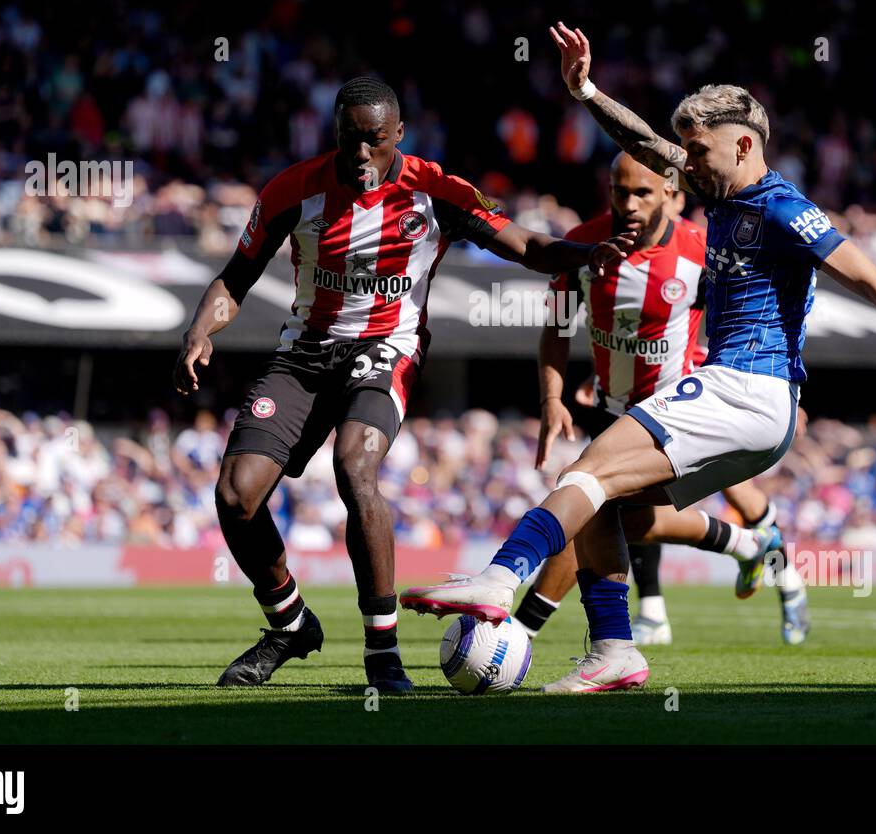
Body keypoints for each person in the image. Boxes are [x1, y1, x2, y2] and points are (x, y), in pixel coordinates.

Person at [401, 23, 876, 693]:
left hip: (747, 387)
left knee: (587, 470)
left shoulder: (788, 210)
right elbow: (644, 143)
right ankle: (616, 651)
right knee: (609, 506)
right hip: (749, 401)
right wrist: (586, 89)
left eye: (698, 152)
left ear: (743, 144)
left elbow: (873, 280)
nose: (686, 164)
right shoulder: (721, 190)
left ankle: (498, 582)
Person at [173, 76, 630, 692]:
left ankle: (382, 653)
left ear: (398, 136)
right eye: (348, 140)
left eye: (374, 141)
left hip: (389, 349)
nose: (361, 155)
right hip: (304, 354)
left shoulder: (435, 189)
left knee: (354, 466)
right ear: (332, 132)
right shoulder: (292, 189)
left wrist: (585, 253)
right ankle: (290, 623)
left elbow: (523, 244)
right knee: (235, 495)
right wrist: (201, 331)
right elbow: (235, 278)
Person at [516, 151, 808, 648]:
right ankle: (737, 553)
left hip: (678, 409)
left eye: (642, 192)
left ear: (673, 197)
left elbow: (746, 320)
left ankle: (522, 629)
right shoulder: (583, 244)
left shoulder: (701, 252)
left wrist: (772, 382)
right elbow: (559, 326)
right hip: (612, 406)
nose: (627, 204)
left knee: (593, 505)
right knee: (615, 513)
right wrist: (554, 397)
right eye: (618, 191)